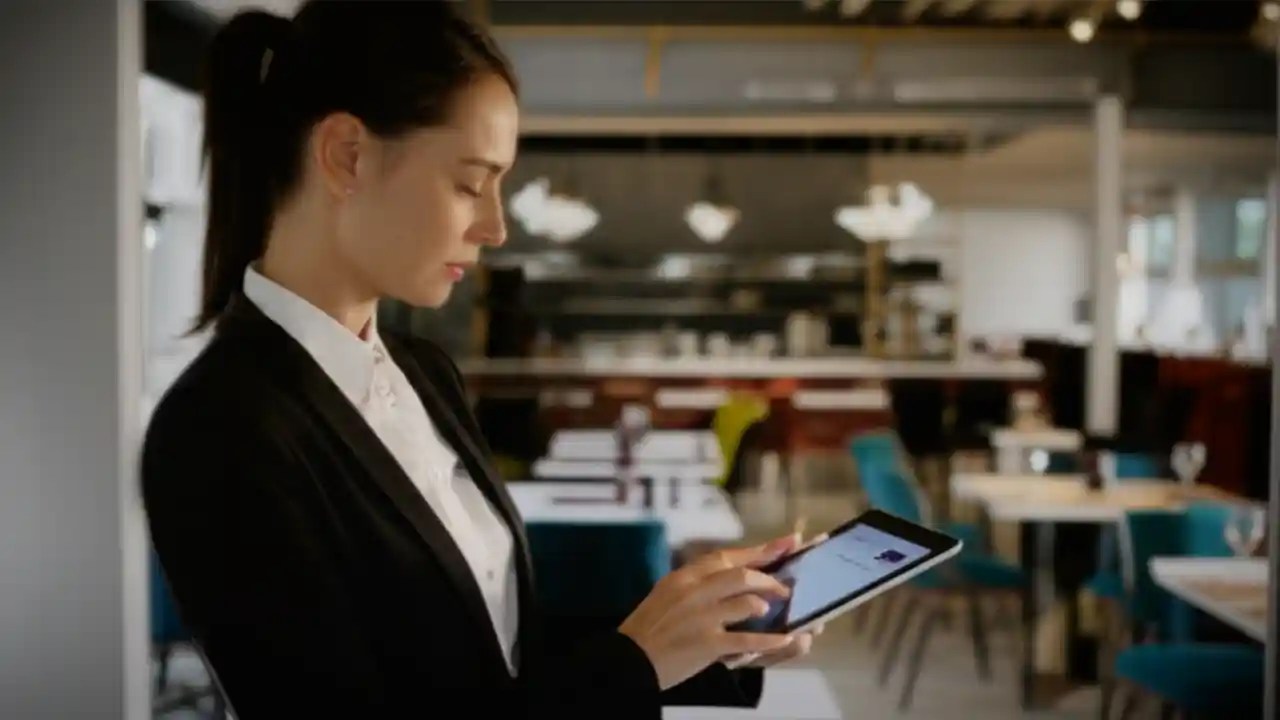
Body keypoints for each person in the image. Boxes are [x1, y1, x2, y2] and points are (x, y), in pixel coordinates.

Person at [140, 2, 821, 718]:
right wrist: (636, 662)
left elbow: (494, 650)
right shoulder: (220, 430)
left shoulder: (424, 371)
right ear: (347, 155)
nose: (495, 226)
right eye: (471, 183)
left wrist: (702, 637)